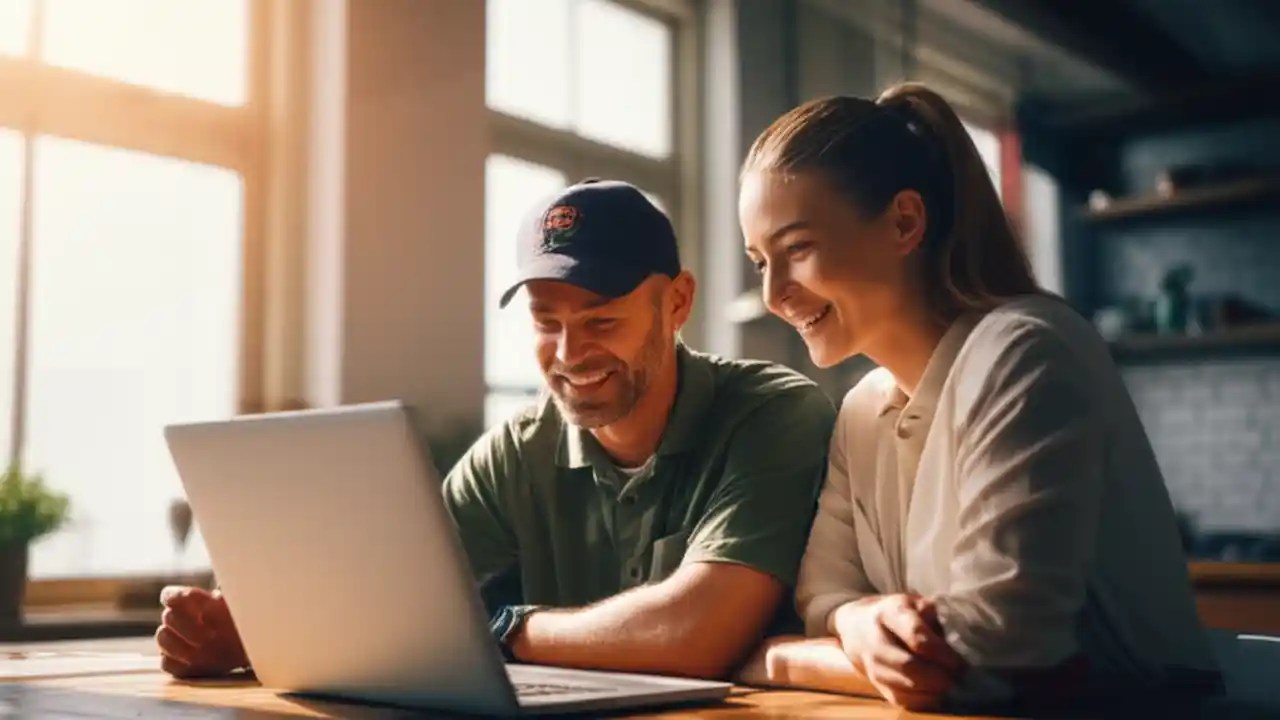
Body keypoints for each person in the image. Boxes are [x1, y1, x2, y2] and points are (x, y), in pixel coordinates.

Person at [156, 179, 836, 681]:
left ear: (677, 302)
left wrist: (509, 631)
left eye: (601, 321)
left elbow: (696, 633)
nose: (570, 355)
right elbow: (393, 605)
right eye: (547, 322)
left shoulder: (771, 415)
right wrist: (254, 635)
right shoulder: (518, 450)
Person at [733, 83, 1221, 713]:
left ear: (905, 222)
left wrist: (771, 658)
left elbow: (995, 659)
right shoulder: (860, 410)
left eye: (797, 248)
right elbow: (823, 599)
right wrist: (858, 622)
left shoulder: (1025, 351)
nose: (775, 295)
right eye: (758, 261)